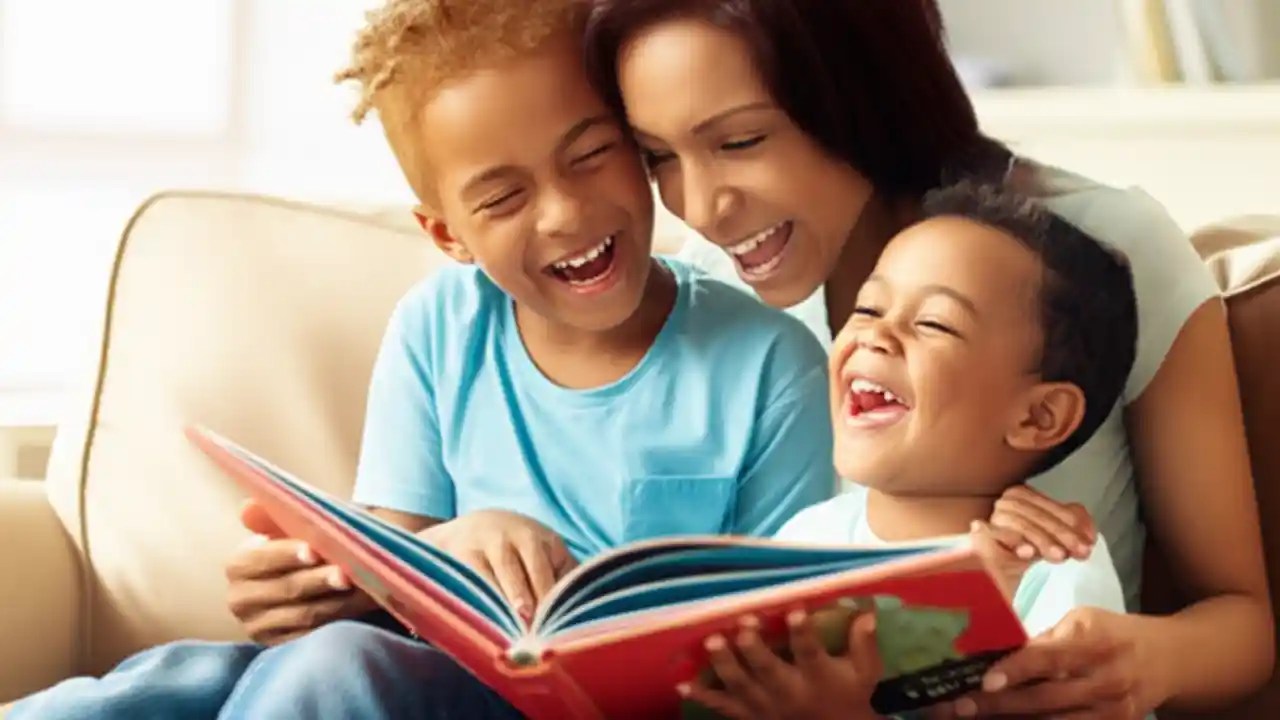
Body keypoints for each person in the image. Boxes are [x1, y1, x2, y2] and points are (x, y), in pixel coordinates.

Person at [6, 1, 837, 718]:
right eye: (504, 198)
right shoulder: (439, 328)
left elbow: (776, 645)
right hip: (417, 675)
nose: (565, 211)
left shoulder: (771, 365)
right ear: (448, 235)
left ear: (640, 144)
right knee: (186, 675)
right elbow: (385, 582)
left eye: (591, 155)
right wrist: (326, 580)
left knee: (333, 668)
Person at [583, 0, 1272, 715]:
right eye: (659, 156)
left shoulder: (1101, 255)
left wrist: (1139, 660)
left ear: (862, 95)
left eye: (741, 140)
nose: (698, 207)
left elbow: (1241, 622)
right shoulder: (717, 288)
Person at [679, 181, 1136, 720]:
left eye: (934, 323)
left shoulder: (1051, 571)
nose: (876, 336)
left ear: (1038, 416)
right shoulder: (807, 540)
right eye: (869, 308)